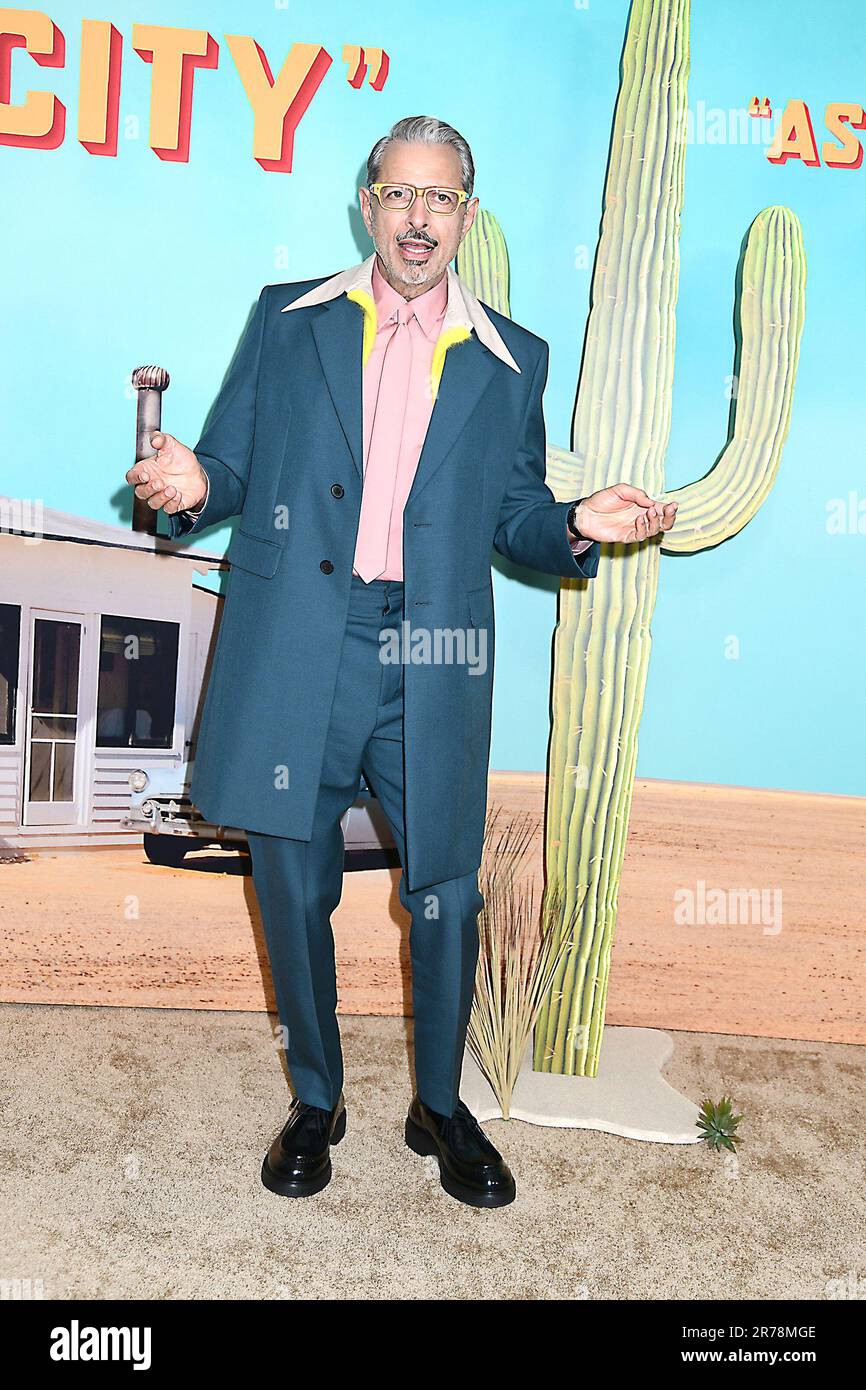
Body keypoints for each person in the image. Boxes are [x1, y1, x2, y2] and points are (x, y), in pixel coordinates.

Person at [126, 115, 677, 1209]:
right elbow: (230, 463)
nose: (416, 218)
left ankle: (438, 1102)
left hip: (431, 649)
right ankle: (315, 1099)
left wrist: (574, 520)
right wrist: (196, 486)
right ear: (365, 203)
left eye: (440, 199)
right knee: (290, 880)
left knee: (445, 891)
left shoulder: (514, 358)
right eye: (397, 195)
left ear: (465, 217)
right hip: (298, 642)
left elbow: (515, 513)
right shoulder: (287, 323)